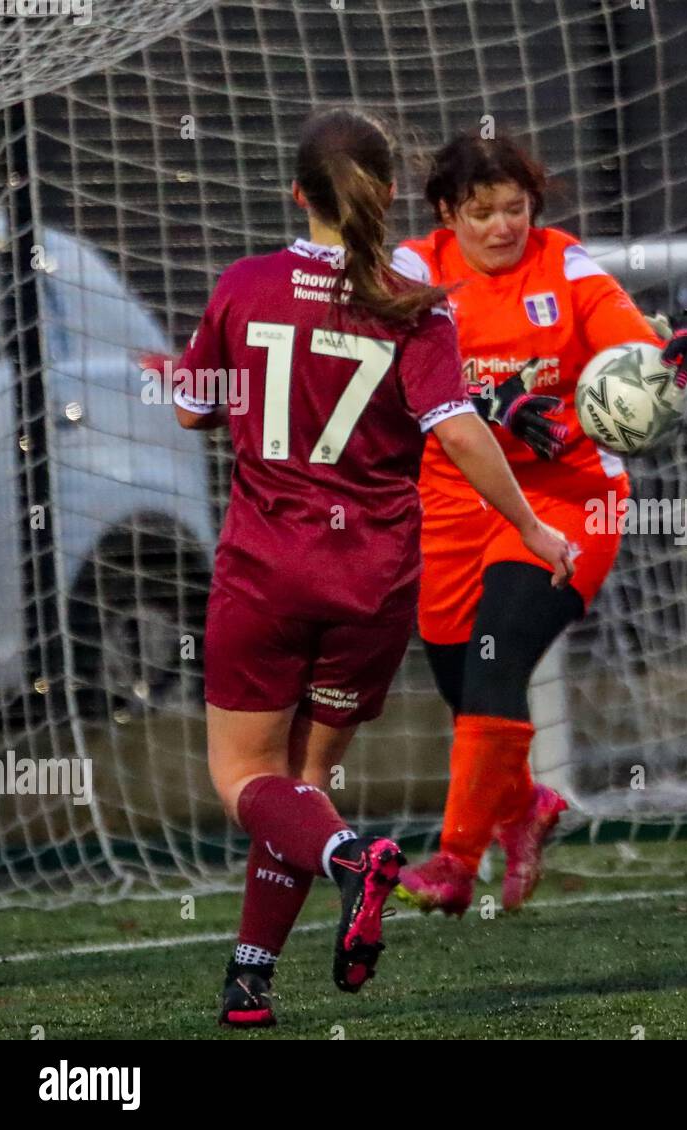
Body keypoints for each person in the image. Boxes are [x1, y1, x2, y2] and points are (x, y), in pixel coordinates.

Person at [162, 108, 573, 1026]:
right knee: (300, 790)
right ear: (390, 196)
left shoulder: (245, 285)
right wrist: (536, 529)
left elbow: (192, 409)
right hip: (375, 581)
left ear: (296, 195)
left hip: (266, 570)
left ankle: (351, 858)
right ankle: (249, 981)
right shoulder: (416, 308)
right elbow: (461, 434)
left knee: (247, 784)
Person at [389, 133, 687, 915]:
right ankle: (523, 808)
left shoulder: (565, 266)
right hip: (454, 504)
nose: (503, 227)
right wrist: (492, 405)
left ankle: (456, 864)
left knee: (498, 661)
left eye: (516, 209)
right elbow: (382, 378)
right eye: (481, 213)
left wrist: (678, 351)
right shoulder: (414, 270)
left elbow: (636, 357)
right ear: (445, 213)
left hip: (572, 499)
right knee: (463, 684)